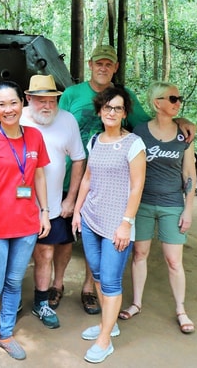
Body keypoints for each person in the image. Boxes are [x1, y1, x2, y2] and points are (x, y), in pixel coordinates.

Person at [59, 44, 196, 315]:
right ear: (90, 64)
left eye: (108, 64)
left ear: (116, 68)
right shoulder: (72, 94)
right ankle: (56, 284)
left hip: (110, 183)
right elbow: (57, 123)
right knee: (65, 237)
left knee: (101, 237)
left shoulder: (126, 100)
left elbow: (150, 124)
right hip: (71, 175)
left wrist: (179, 119)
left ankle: (90, 289)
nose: (103, 68)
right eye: (99, 63)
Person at [0, 81, 51, 361]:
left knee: (14, 282)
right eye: (1, 104)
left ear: (22, 103)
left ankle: (5, 333)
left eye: (13, 103)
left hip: (26, 224)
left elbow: (38, 175)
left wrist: (45, 211)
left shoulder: (35, 136)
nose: (8, 109)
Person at [72, 86, 146, 364]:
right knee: (98, 274)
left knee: (111, 281)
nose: (112, 112)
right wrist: (77, 212)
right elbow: (87, 179)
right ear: (100, 111)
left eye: (118, 108)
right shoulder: (95, 140)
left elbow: (137, 187)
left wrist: (126, 224)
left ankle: (105, 340)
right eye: (107, 107)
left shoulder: (134, 144)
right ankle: (109, 324)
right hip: (91, 218)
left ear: (125, 113)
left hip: (117, 224)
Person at [118, 82, 197, 334]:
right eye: (172, 98)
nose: (178, 102)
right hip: (142, 203)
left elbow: (189, 173)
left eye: (179, 98)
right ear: (156, 103)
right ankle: (136, 303)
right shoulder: (140, 132)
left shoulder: (184, 134)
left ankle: (181, 309)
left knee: (173, 260)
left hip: (172, 204)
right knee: (139, 254)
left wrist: (188, 209)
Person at [19, 74, 86, 330]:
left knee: (46, 252)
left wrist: (71, 198)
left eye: (52, 101)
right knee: (15, 253)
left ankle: (41, 302)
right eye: (41, 101)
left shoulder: (67, 120)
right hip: (19, 205)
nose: (47, 106)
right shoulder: (17, 118)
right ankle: (11, 299)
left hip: (54, 203)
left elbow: (78, 158)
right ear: (28, 98)